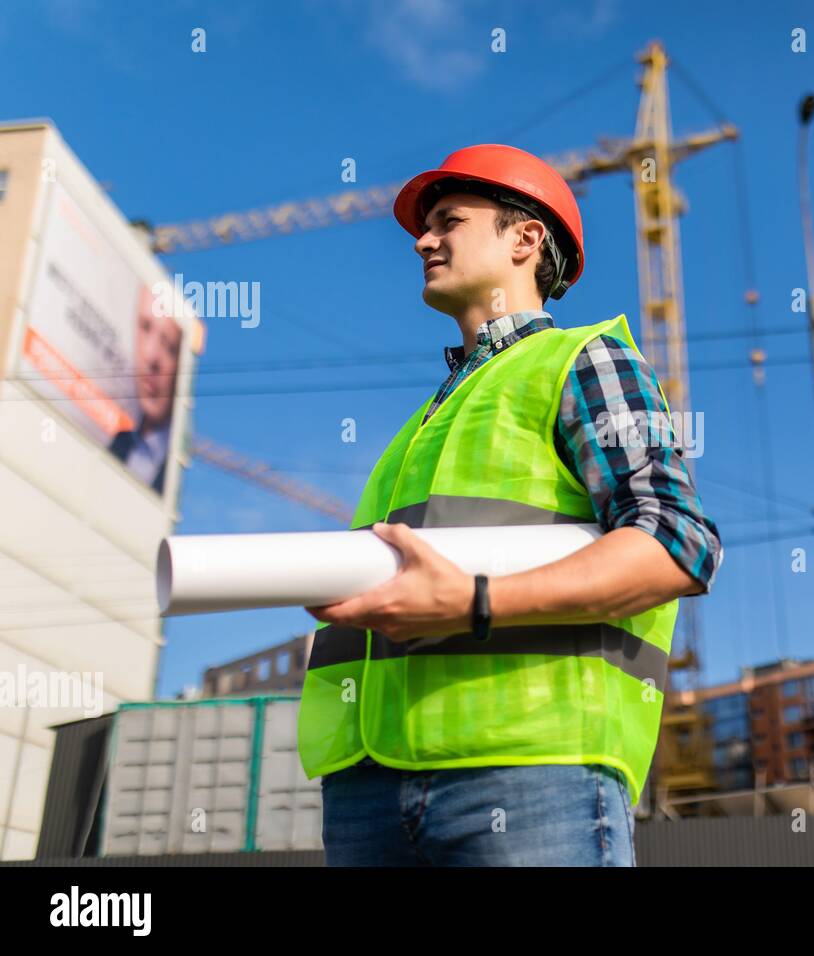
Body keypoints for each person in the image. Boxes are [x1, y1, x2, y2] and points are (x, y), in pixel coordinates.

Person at [298, 144, 723, 866]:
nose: (423, 240)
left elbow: (677, 541)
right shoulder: (424, 422)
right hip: (367, 786)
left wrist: (476, 601)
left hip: (531, 774)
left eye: (448, 221)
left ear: (525, 239)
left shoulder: (584, 359)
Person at [109, 285, 181, 494]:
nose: (152, 357)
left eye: (168, 346)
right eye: (146, 328)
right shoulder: (117, 441)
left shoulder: (169, 473)